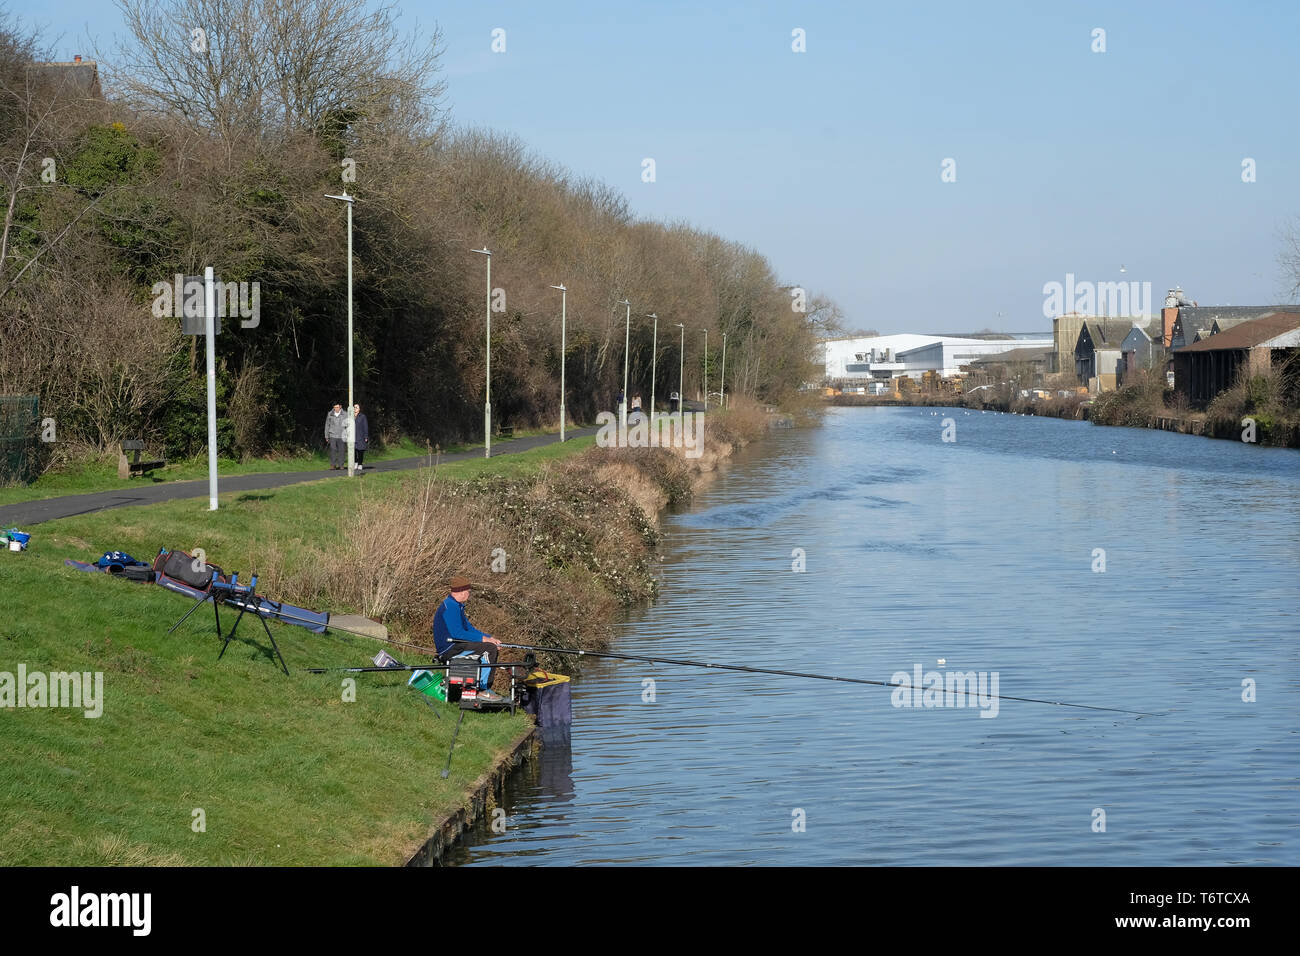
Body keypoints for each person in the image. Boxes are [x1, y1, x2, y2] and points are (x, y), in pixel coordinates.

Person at [432, 576, 504, 701]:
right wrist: (486, 641)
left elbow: (469, 629)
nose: (469, 595)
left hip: (457, 646)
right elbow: (458, 634)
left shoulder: (456, 605)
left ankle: (479, 687)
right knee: (489, 649)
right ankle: (482, 689)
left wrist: (490, 637)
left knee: (489, 644)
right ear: (462, 592)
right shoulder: (451, 606)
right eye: (469, 592)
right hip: (449, 649)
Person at [325, 403, 346, 469]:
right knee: (333, 450)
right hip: (332, 435)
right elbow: (327, 425)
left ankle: (341, 465)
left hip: (341, 435)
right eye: (335, 407)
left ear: (340, 407)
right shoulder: (330, 414)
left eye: (337, 407)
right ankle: (333, 465)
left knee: (341, 450)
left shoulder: (345, 414)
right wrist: (326, 436)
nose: (336, 409)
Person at [353, 404, 369, 471]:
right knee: (353, 451)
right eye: (354, 407)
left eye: (356, 407)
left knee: (360, 451)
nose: (355, 408)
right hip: (353, 436)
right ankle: (355, 463)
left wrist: (366, 436)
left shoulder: (362, 416)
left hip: (360, 436)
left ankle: (360, 464)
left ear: (359, 409)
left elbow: (365, 426)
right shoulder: (351, 416)